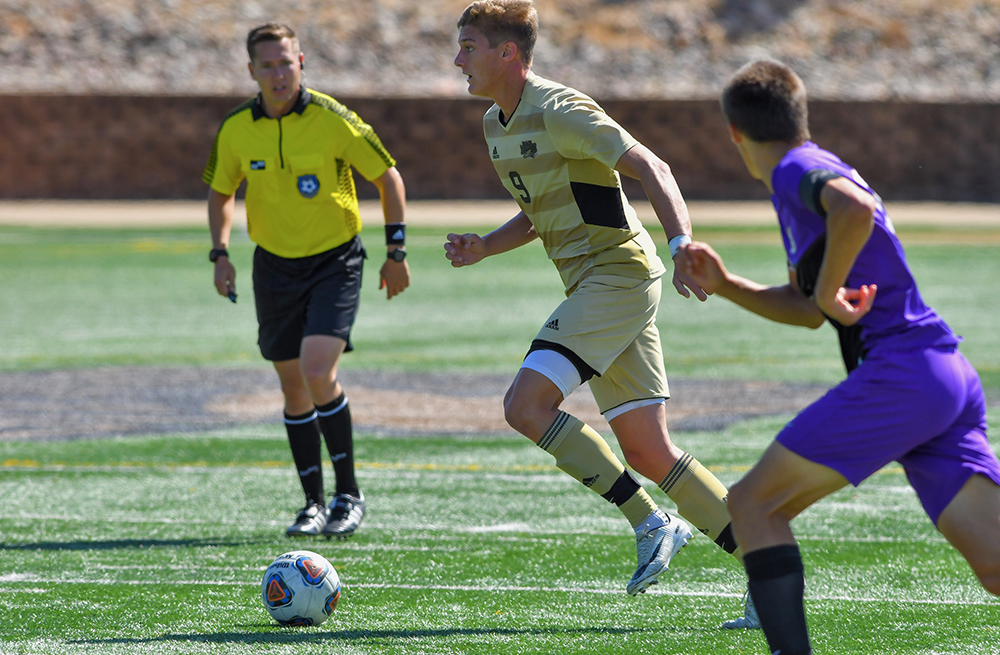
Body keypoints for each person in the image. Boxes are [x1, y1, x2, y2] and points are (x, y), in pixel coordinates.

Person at [446, 0, 757, 626]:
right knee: (648, 451)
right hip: (599, 286)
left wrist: (680, 243)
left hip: (617, 277)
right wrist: (486, 246)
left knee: (525, 406)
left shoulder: (560, 109)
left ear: (509, 54)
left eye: (470, 46)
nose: (458, 60)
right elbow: (539, 212)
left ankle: (649, 522)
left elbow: (651, 166)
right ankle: (767, 569)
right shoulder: (495, 125)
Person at [676, 59, 1000, 654]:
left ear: (734, 133)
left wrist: (826, 292)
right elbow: (806, 309)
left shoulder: (795, 168)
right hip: (939, 375)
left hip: (903, 373)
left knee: (753, 505)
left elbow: (854, 211)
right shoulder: (810, 168)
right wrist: (726, 285)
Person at [202, 23, 411, 539]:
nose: (278, 74)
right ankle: (312, 504)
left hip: (333, 262)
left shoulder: (332, 119)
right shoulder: (235, 129)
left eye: (285, 62)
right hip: (273, 265)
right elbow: (220, 191)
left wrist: (396, 252)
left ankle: (349, 495)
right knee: (292, 385)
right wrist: (220, 254)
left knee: (319, 371)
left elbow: (388, 177)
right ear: (251, 71)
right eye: (266, 65)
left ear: (302, 63)